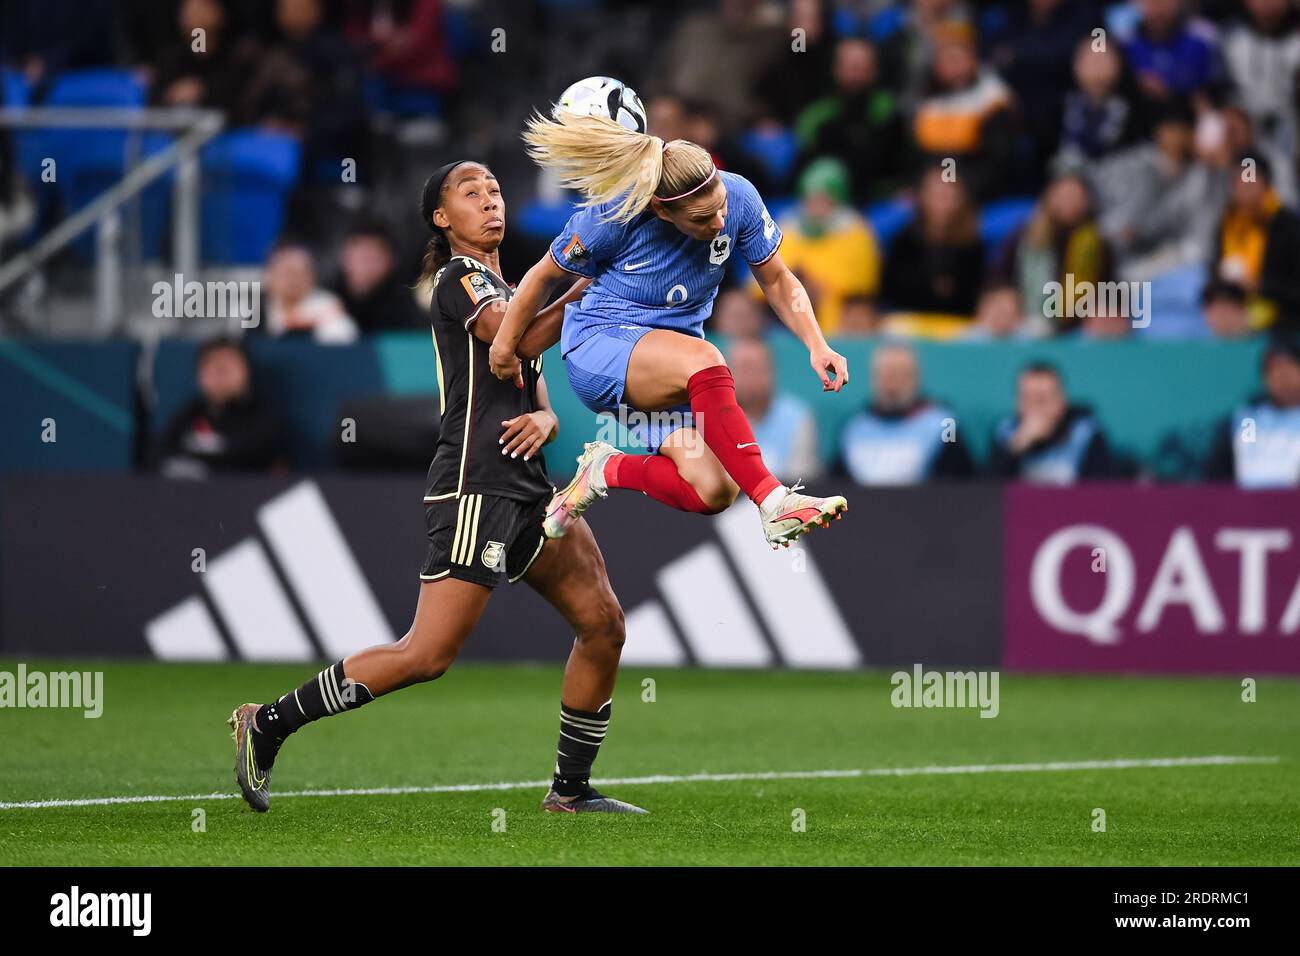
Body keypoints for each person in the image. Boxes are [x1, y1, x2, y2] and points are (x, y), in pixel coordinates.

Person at [229, 161, 646, 815]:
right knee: (426, 654)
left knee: (604, 625)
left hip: (528, 485)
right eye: (470, 192)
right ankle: (268, 723)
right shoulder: (459, 278)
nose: (489, 199)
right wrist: (596, 278)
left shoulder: (509, 283)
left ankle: (569, 791)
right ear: (441, 218)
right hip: (474, 482)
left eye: (496, 190)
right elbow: (522, 336)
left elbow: (522, 367)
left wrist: (546, 413)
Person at [488, 108, 850, 551]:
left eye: (718, 209)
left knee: (714, 490)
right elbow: (543, 276)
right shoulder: (614, 214)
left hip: (670, 371)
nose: (718, 223)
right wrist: (505, 346)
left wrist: (817, 343)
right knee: (707, 359)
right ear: (662, 209)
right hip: (600, 345)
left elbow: (775, 278)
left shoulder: (739, 198)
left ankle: (605, 470)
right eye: (701, 219)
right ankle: (775, 502)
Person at [763, 157, 881, 335]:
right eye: (811, 200)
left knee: (858, 314)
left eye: (823, 201)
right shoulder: (788, 229)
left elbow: (862, 283)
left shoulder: (856, 232)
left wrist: (814, 284)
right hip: (786, 310)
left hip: (840, 317)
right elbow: (762, 279)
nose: (816, 209)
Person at [840, 342, 973, 485]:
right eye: (886, 372)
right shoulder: (854, 426)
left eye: (900, 373)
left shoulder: (945, 422)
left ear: (915, 376)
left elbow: (958, 480)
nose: (891, 382)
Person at [152, 337, 285, 477]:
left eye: (227, 366)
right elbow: (158, 457)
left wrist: (204, 463)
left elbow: (254, 457)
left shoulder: (263, 416)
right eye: (212, 366)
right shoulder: (188, 415)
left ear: (246, 372)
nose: (219, 374)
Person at [988, 362, 1116, 483]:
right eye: (1027, 398)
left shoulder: (1086, 433)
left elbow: (1101, 490)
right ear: (1017, 402)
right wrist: (1014, 448)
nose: (1036, 407)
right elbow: (984, 491)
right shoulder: (1005, 432)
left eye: (1043, 399)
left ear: (1061, 400)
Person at [1205, 335, 1300, 487]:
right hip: (1245, 507)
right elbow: (1220, 474)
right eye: (1274, 369)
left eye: (1290, 367)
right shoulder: (1246, 420)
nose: (1283, 376)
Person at [729, 336, 822, 482]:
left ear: (772, 373)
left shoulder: (797, 417)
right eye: (744, 369)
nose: (751, 378)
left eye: (758, 369)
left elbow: (801, 482)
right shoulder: (712, 420)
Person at [263, 242, 359, 343]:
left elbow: (342, 338)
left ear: (312, 278)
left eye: (301, 274)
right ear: (269, 276)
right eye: (287, 273)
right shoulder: (255, 306)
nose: (294, 280)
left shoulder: (327, 305)